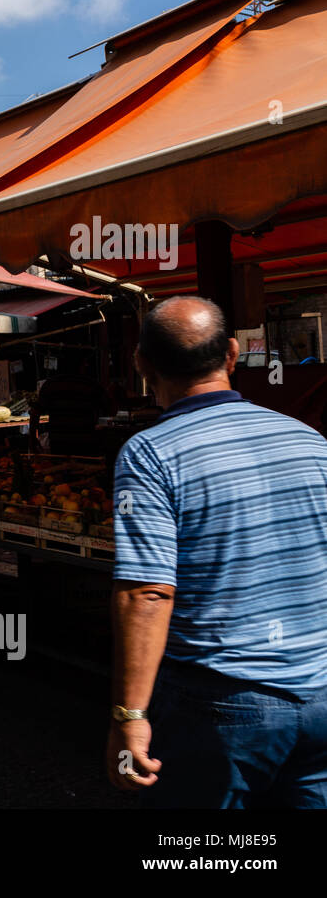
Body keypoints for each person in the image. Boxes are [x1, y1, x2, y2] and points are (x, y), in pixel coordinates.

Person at [107, 296, 327, 808]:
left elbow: (148, 592)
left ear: (142, 365)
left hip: (223, 707)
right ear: (232, 354)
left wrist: (129, 717)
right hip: (318, 691)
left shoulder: (149, 453)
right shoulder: (311, 442)